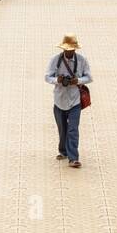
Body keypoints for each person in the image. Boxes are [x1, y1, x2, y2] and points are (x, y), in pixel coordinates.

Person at [46, 35, 92, 168]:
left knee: (73, 130)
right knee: (62, 129)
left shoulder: (82, 60)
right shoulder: (55, 60)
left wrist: (77, 81)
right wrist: (58, 80)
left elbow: (89, 77)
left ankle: (73, 158)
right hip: (59, 100)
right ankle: (63, 151)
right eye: (67, 49)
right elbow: (47, 77)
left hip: (75, 101)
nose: (69, 52)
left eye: (72, 49)